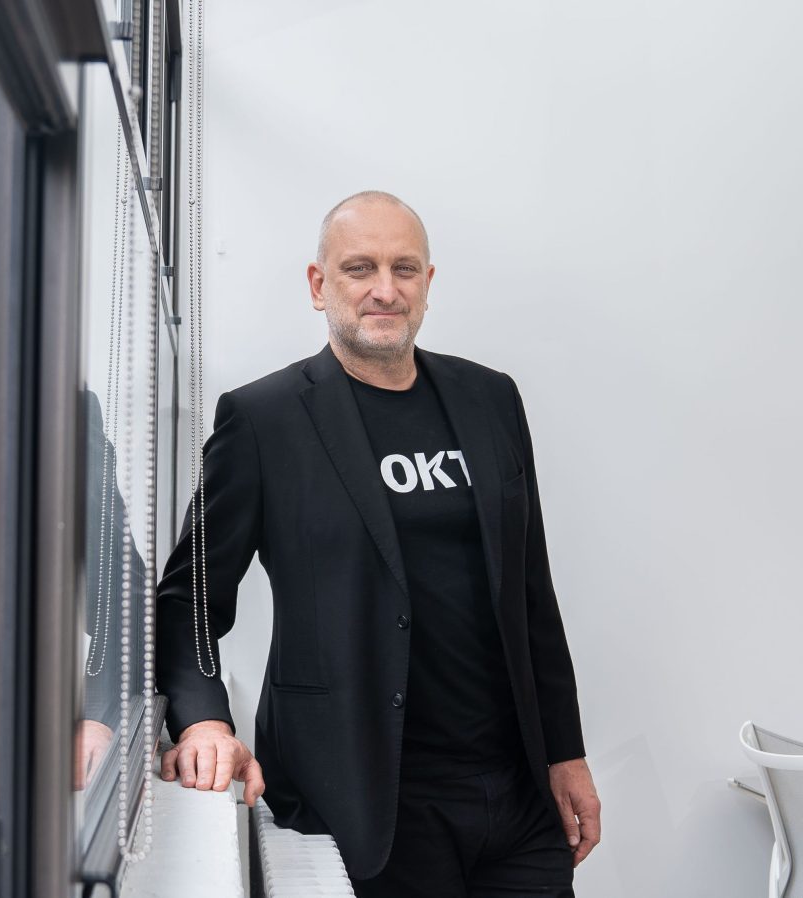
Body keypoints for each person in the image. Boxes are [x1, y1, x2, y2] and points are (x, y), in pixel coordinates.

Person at [154, 191, 600, 896]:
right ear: (318, 284)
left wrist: (565, 755)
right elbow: (188, 602)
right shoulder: (263, 420)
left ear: (428, 283)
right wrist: (204, 721)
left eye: (404, 269)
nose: (384, 290)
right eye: (360, 268)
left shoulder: (491, 400)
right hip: (363, 799)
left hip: (512, 797)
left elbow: (528, 593)